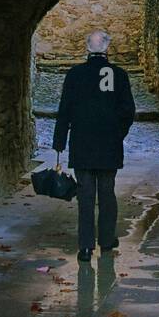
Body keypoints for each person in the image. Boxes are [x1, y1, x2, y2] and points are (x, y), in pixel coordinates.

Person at [52, 29, 136, 261]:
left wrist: (59, 140)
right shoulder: (119, 75)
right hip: (109, 143)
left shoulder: (75, 75)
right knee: (107, 193)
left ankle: (86, 246)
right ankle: (106, 240)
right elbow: (128, 111)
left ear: (87, 48)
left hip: (82, 142)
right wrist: (118, 133)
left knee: (85, 194)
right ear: (107, 48)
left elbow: (65, 109)